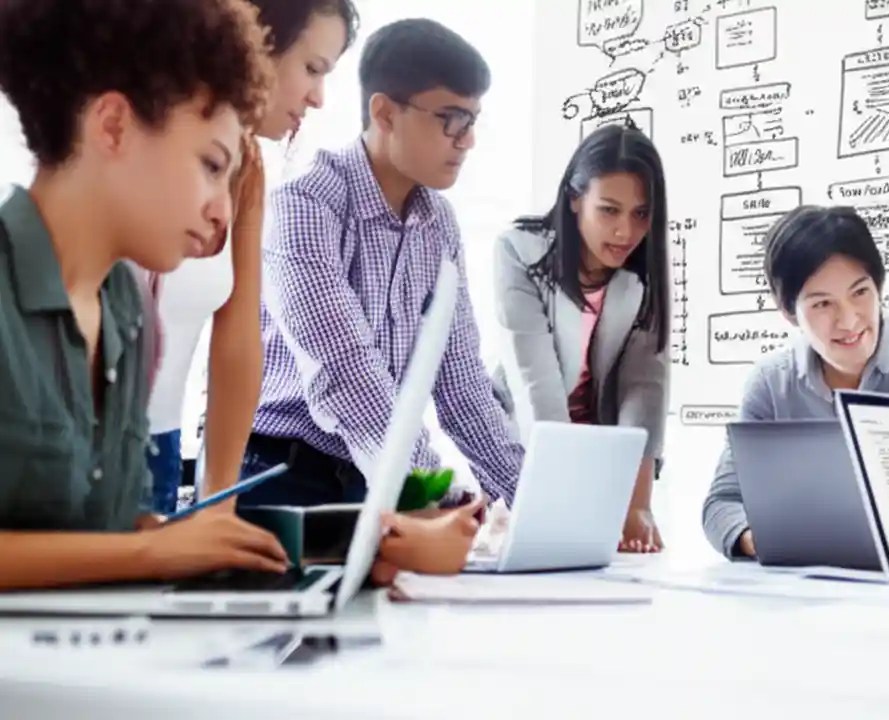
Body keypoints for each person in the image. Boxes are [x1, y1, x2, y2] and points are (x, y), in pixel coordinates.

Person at [0, 0, 291, 589]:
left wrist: (338, 549)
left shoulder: (126, 315)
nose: (220, 212)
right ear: (112, 125)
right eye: (211, 165)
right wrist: (153, 554)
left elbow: (96, 538)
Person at [240, 18, 523, 530]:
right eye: (452, 119)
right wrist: (430, 489)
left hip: (373, 481)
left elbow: (460, 383)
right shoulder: (306, 204)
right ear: (385, 112)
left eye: (474, 120)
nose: (468, 140)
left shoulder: (439, 224)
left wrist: (531, 501)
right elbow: (348, 376)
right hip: (277, 477)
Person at [143, 0, 359, 515]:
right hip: (73, 451)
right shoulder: (135, 143)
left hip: (161, 451)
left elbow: (237, 347)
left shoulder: (248, 167)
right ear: (256, 42)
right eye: (312, 68)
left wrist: (217, 501)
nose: (318, 97)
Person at [702, 205, 889, 559]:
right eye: (823, 304)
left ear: (879, 288)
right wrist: (765, 540)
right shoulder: (770, 384)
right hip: (810, 589)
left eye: (860, 293)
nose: (849, 320)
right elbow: (723, 503)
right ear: (789, 313)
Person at [492, 124, 669, 553]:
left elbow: (645, 389)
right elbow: (536, 385)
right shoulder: (518, 251)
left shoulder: (642, 273)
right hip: (527, 447)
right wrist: (563, 501)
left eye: (641, 214)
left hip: (598, 453)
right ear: (575, 199)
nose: (626, 232)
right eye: (609, 210)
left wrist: (636, 505)